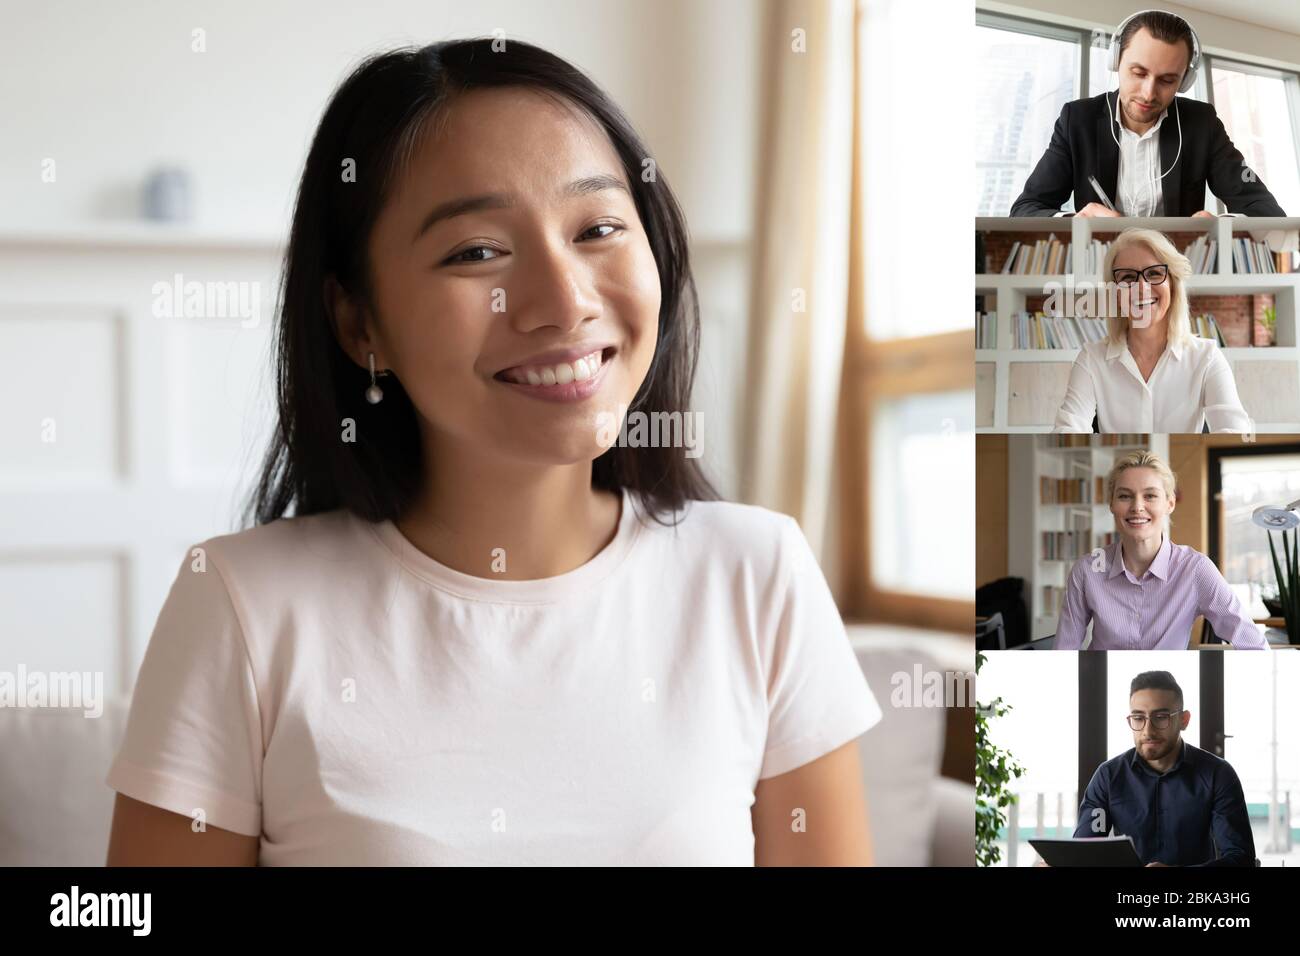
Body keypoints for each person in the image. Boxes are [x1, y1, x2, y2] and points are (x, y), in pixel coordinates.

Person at [103, 39, 880, 866]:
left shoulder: (758, 576)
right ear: (360, 324)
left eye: (598, 229)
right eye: (477, 252)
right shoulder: (243, 607)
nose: (562, 301)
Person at [1011, 10, 1286, 218]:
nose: (1148, 93)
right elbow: (1026, 208)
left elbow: (1264, 208)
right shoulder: (1077, 120)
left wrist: (1221, 227)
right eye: (1139, 72)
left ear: (1185, 81)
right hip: (1099, 273)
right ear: (1116, 60)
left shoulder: (1202, 125)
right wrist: (1076, 221)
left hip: (1175, 276)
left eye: (1167, 81)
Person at [1055, 450, 1267, 649]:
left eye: (1150, 496)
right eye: (1124, 496)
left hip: (1168, 685)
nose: (1137, 507)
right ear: (1111, 504)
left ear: (1170, 503)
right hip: (1102, 684)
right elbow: (1064, 653)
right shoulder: (1087, 570)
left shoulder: (1196, 569)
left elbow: (1254, 646)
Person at [1052, 228, 1249, 433]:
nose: (1141, 287)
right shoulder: (1091, 359)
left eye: (1154, 273)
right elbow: (1068, 429)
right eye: (1127, 277)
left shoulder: (1207, 357)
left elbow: (1234, 432)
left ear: (1172, 285)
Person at [1068, 671, 1255, 866]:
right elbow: (1084, 851)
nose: (1148, 731)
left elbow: (1241, 859)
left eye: (1161, 717)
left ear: (1184, 720)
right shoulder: (1108, 776)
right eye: (1138, 718)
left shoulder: (1218, 774)